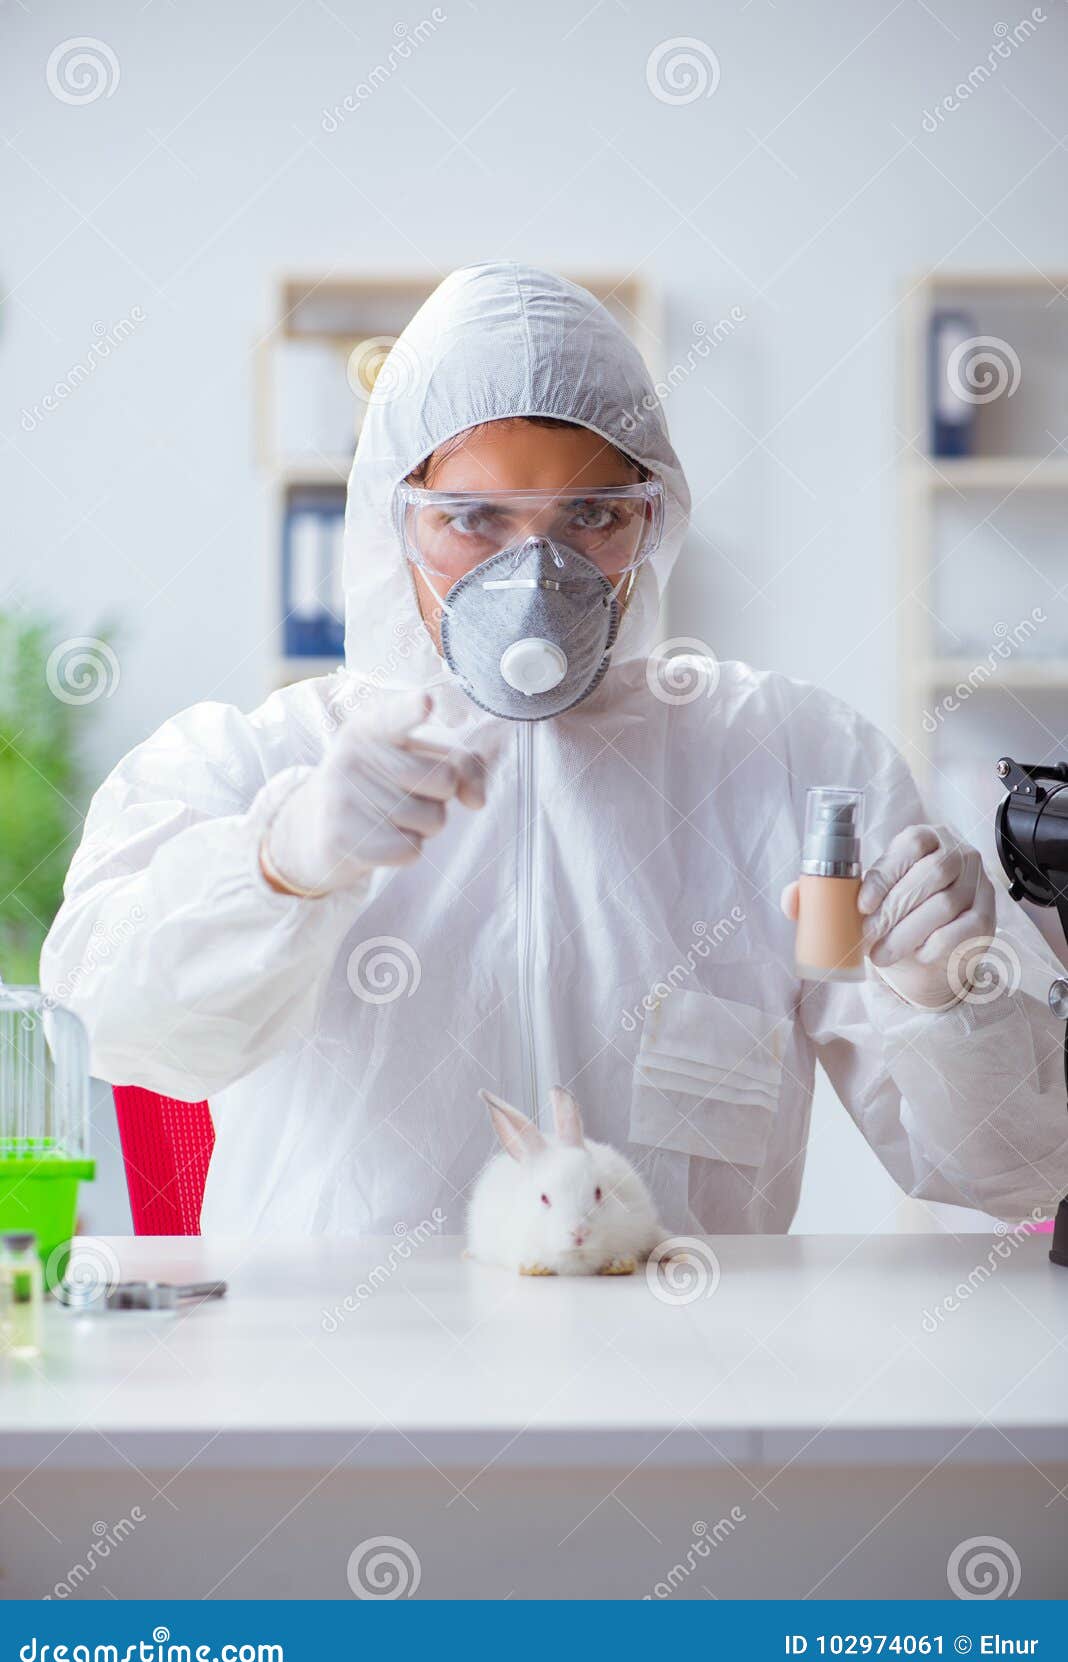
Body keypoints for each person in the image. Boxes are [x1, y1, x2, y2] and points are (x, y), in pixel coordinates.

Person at [41, 263, 1068, 1237]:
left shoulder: (793, 759)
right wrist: (281, 862)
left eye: (592, 516)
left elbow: (1024, 1170)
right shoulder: (257, 761)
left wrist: (945, 1000)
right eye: (473, 520)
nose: (535, 574)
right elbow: (110, 1031)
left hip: (685, 1351)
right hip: (340, 1355)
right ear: (396, 522)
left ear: (653, 521)